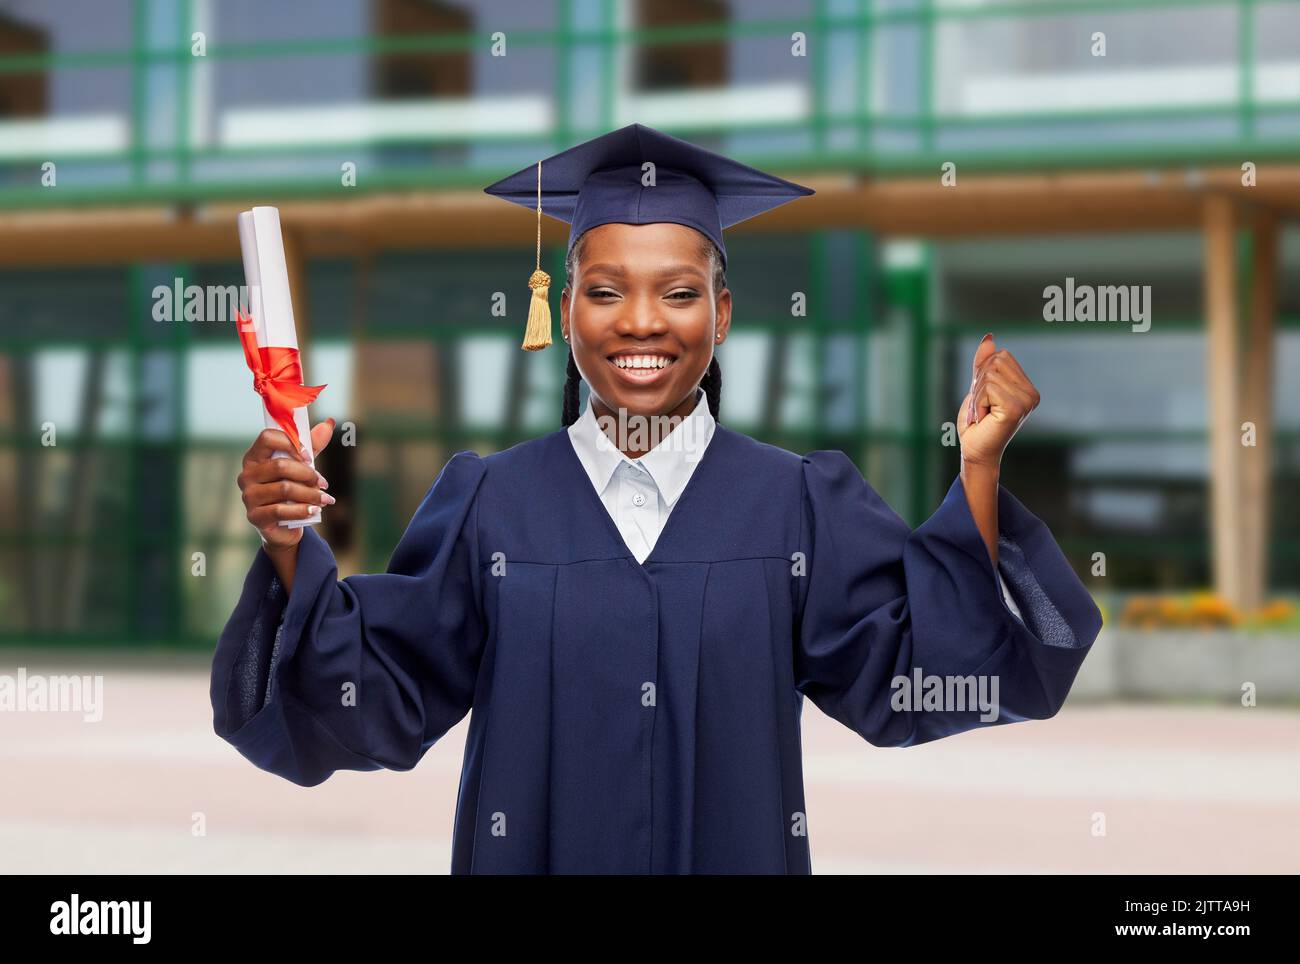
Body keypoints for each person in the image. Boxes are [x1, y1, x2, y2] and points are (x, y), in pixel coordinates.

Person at [211, 123, 1101, 874]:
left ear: (722, 311)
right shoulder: (490, 502)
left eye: (678, 293)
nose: (640, 322)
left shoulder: (796, 503)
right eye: (605, 291)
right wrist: (290, 537)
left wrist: (977, 470)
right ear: (563, 312)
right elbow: (373, 700)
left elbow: (925, 681)